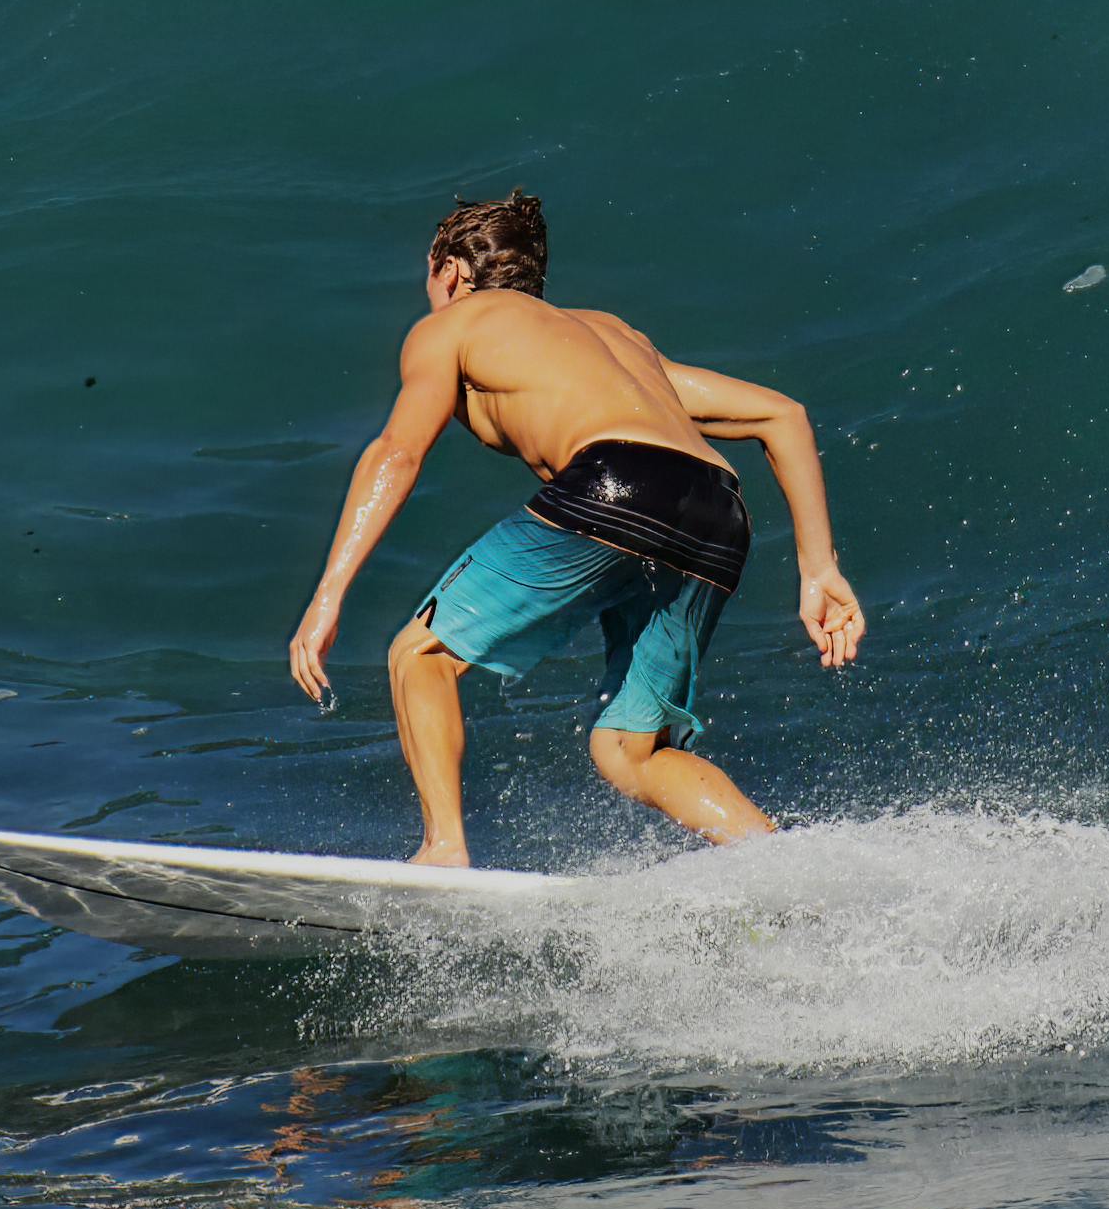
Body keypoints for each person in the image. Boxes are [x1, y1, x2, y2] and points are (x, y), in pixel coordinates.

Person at [286, 192, 867, 867]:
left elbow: (397, 452)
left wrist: (328, 594)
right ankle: (785, 868)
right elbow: (782, 416)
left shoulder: (452, 325)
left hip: (617, 483)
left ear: (445, 271)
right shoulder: (613, 336)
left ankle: (443, 851)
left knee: (419, 656)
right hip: (718, 510)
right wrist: (819, 570)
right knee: (629, 751)